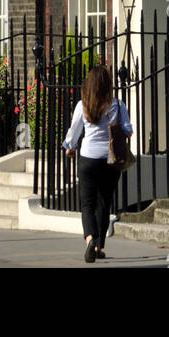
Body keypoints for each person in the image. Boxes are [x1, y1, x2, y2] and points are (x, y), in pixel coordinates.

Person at [63, 63, 133, 263]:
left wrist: (69, 146)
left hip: (88, 158)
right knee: (104, 202)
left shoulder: (82, 105)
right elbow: (128, 130)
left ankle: (90, 239)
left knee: (87, 203)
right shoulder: (118, 105)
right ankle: (100, 245)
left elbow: (73, 132)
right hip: (111, 160)